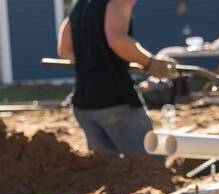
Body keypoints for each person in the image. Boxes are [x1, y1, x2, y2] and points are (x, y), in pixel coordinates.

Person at [57, 0, 176, 156]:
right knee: (147, 165)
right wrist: (150, 63)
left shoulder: (80, 5)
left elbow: (64, 50)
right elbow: (117, 41)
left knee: (107, 171)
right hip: (115, 101)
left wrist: (96, 60)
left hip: (84, 105)